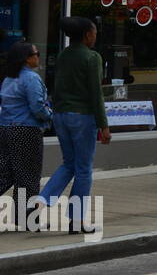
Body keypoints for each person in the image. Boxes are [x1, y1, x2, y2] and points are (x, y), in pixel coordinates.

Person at [33, 17, 109, 231]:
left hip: (61, 115)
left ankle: (42, 199)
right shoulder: (92, 57)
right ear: (87, 35)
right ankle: (76, 220)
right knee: (83, 168)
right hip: (83, 116)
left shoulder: (64, 55)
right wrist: (104, 124)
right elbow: (96, 93)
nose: (95, 36)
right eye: (93, 33)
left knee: (69, 163)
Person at [0, 41, 51, 216]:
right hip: (27, 130)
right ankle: (26, 217)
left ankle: (23, 216)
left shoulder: (8, 78)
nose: (38, 57)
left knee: (5, 172)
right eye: (36, 54)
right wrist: (51, 116)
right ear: (26, 59)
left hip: (6, 129)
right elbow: (38, 107)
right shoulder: (31, 78)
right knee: (28, 176)